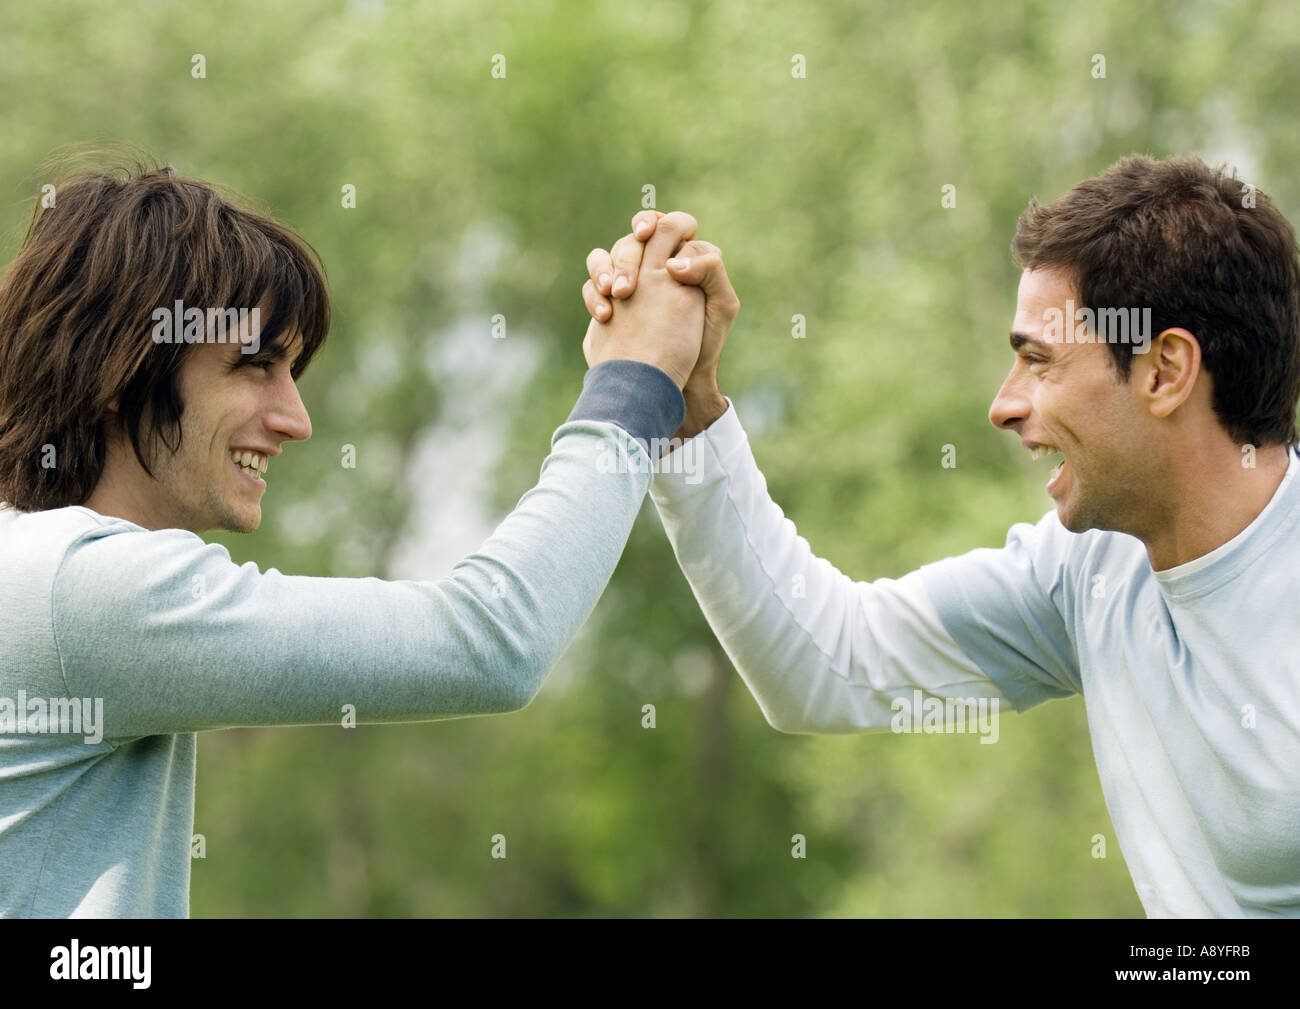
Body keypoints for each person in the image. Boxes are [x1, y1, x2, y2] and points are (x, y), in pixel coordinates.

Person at [582, 155, 1300, 918]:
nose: (1004, 404)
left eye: (1038, 361)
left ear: (1164, 372)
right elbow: (830, 662)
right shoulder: (1088, 570)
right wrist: (688, 406)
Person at [0, 155, 709, 918]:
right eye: (255, 365)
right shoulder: (77, 589)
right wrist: (634, 384)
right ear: (118, 369)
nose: (295, 419)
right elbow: (495, 641)